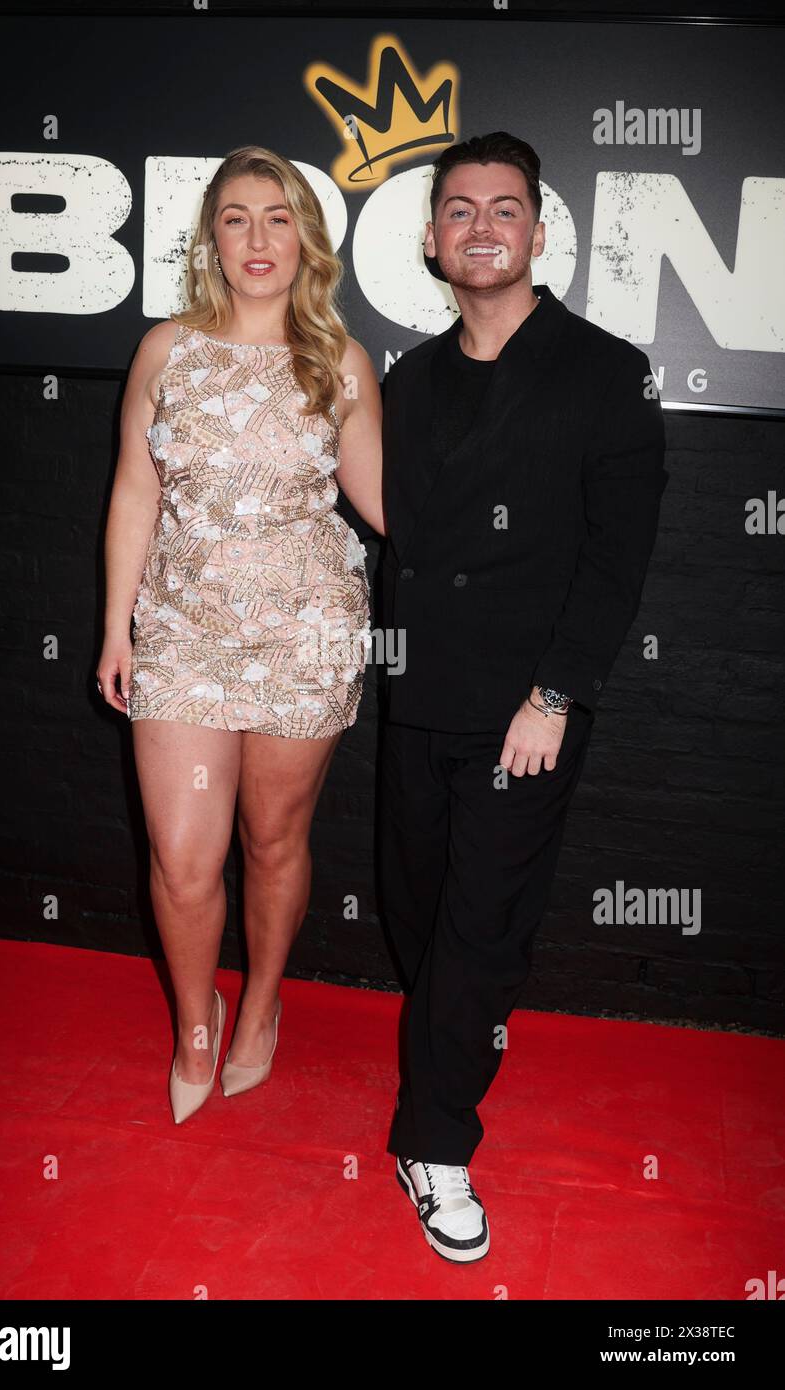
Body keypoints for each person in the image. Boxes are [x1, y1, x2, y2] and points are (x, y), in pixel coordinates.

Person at [377, 131, 668, 1262]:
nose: (481, 226)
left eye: (504, 208)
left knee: (482, 923)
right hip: (417, 699)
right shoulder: (408, 378)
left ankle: (432, 1137)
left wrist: (554, 693)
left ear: (539, 233)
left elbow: (615, 556)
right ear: (432, 239)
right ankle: (447, 1040)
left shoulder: (604, 370)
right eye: (459, 209)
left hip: (525, 710)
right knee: (417, 911)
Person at [97, 146, 383, 1124]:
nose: (256, 238)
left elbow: (385, 503)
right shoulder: (164, 347)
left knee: (272, 840)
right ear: (210, 239)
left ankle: (260, 1000)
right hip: (179, 630)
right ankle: (193, 1018)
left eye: (276, 216)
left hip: (306, 636)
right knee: (181, 857)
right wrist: (115, 627)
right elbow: (134, 490)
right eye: (234, 217)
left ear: (304, 235)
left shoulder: (339, 362)